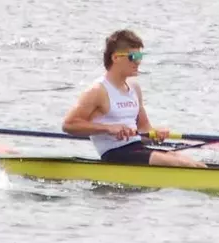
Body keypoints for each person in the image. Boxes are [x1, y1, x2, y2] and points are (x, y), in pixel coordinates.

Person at [62, 30, 204, 167]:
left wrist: (156, 133)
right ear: (115, 58)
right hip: (114, 153)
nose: (138, 62)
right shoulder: (97, 91)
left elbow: (144, 129)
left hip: (137, 148)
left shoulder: (134, 88)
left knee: (195, 164)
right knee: (183, 165)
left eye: (140, 56)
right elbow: (69, 125)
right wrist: (108, 128)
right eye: (133, 57)